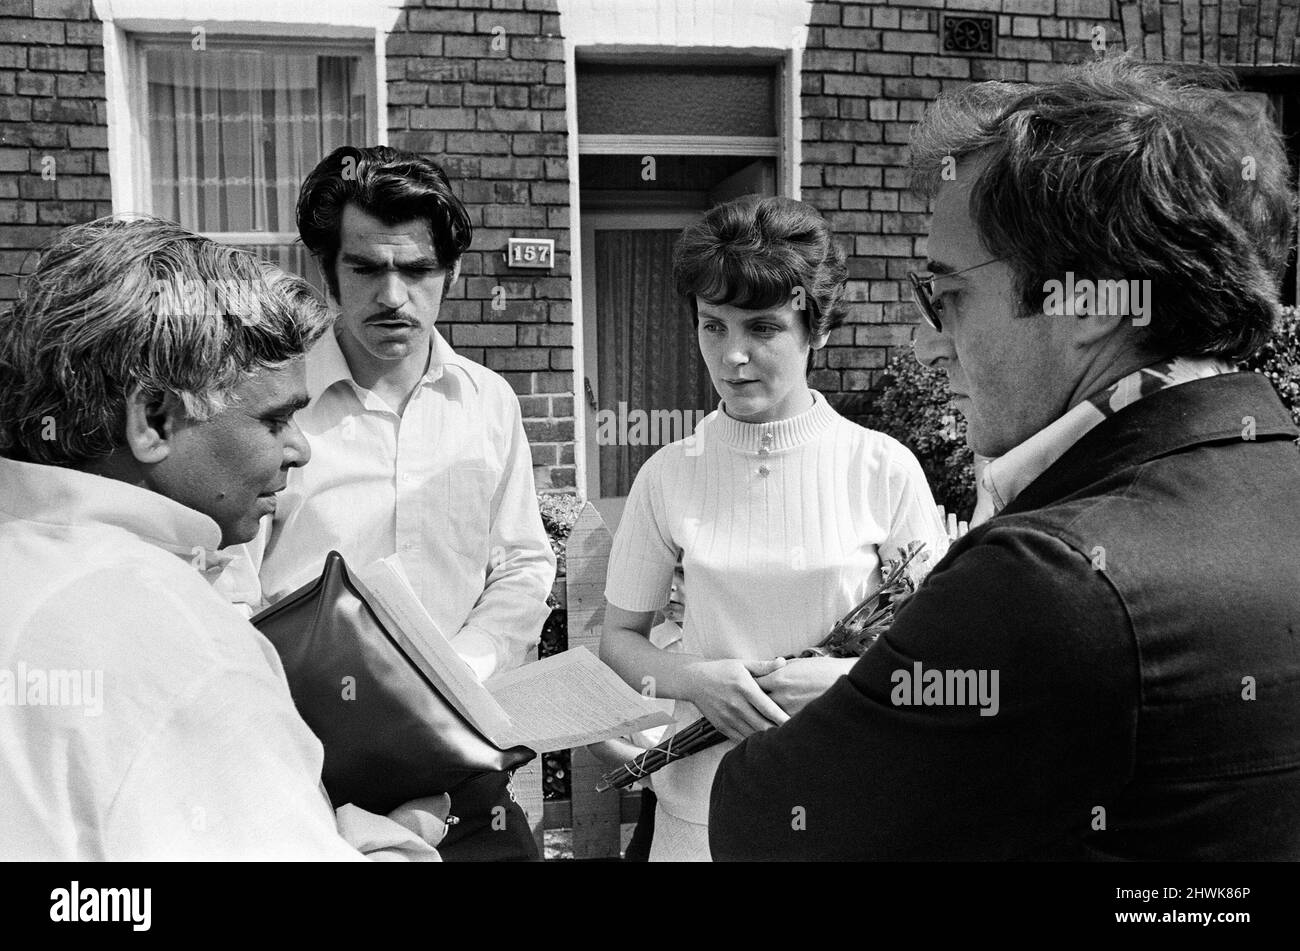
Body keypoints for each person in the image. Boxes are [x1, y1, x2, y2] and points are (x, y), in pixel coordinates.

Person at [709, 55, 1300, 860]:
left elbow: (763, 822)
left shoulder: (1051, 578)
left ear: (1088, 300)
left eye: (946, 294)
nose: (925, 342)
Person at [0, 216, 449, 860]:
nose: (299, 449)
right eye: (275, 418)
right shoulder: (175, 631)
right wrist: (400, 845)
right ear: (152, 418)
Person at [219, 145, 556, 861]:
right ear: (327, 271)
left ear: (452, 273)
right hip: (310, 776)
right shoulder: (277, 405)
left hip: (463, 775)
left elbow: (523, 562)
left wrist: (468, 661)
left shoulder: (490, 402)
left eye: (416, 269)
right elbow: (229, 582)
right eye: (367, 268)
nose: (393, 296)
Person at [600, 195, 950, 861]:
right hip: (698, 816)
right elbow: (620, 639)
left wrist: (842, 679)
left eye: (762, 328)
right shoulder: (670, 472)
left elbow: (931, 653)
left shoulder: (881, 469)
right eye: (713, 327)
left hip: (842, 808)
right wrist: (697, 679)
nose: (733, 357)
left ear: (815, 328)